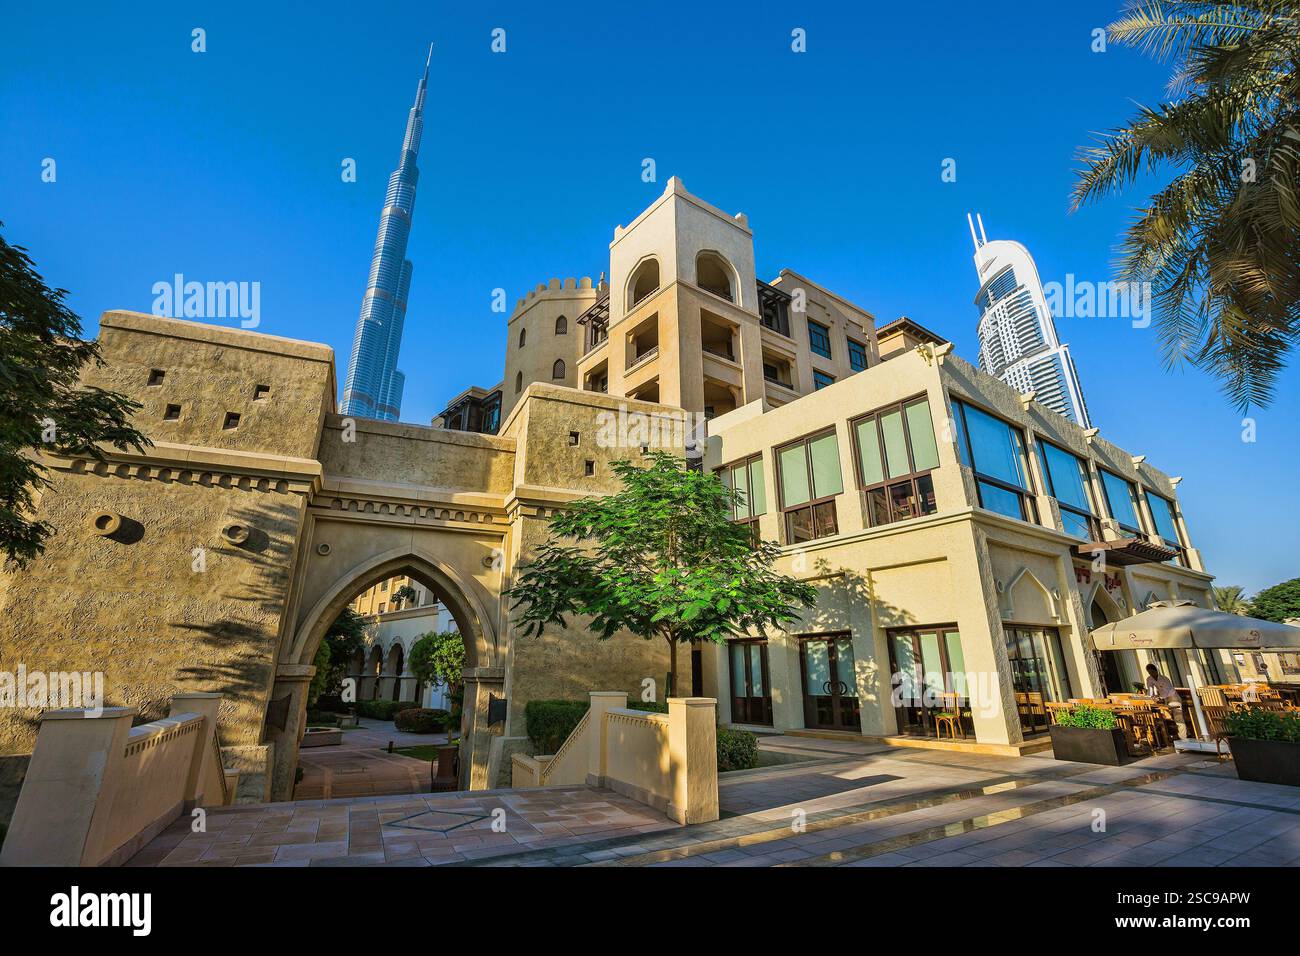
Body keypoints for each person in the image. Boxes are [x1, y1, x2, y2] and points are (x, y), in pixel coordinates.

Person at [1145, 663, 1186, 740]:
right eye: (1149, 672)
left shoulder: (1164, 679)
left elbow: (1167, 691)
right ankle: (1173, 736)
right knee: (1168, 718)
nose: (1151, 674)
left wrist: (1159, 697)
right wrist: (1150, 698)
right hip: (1164, 699)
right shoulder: (1149, 679)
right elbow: (1150, 690)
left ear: (1156, 671)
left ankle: (1183, 738)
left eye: (1152, 672)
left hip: (1173, 697)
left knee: (1178, 718)